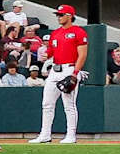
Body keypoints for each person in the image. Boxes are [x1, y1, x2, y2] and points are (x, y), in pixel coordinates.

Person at [33, 12, 88, 146]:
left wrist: (75, 73)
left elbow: (83, 54)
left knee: (69, 105)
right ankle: (45, 135)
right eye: (58, 15)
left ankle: (71, 135)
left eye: (61, 15)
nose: (59, 17)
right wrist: (46, 54)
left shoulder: (78, 32)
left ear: (70, 16)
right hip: (55, 69)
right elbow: (51, 51)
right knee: (47, 103)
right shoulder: (55, 33)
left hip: (70, 68)